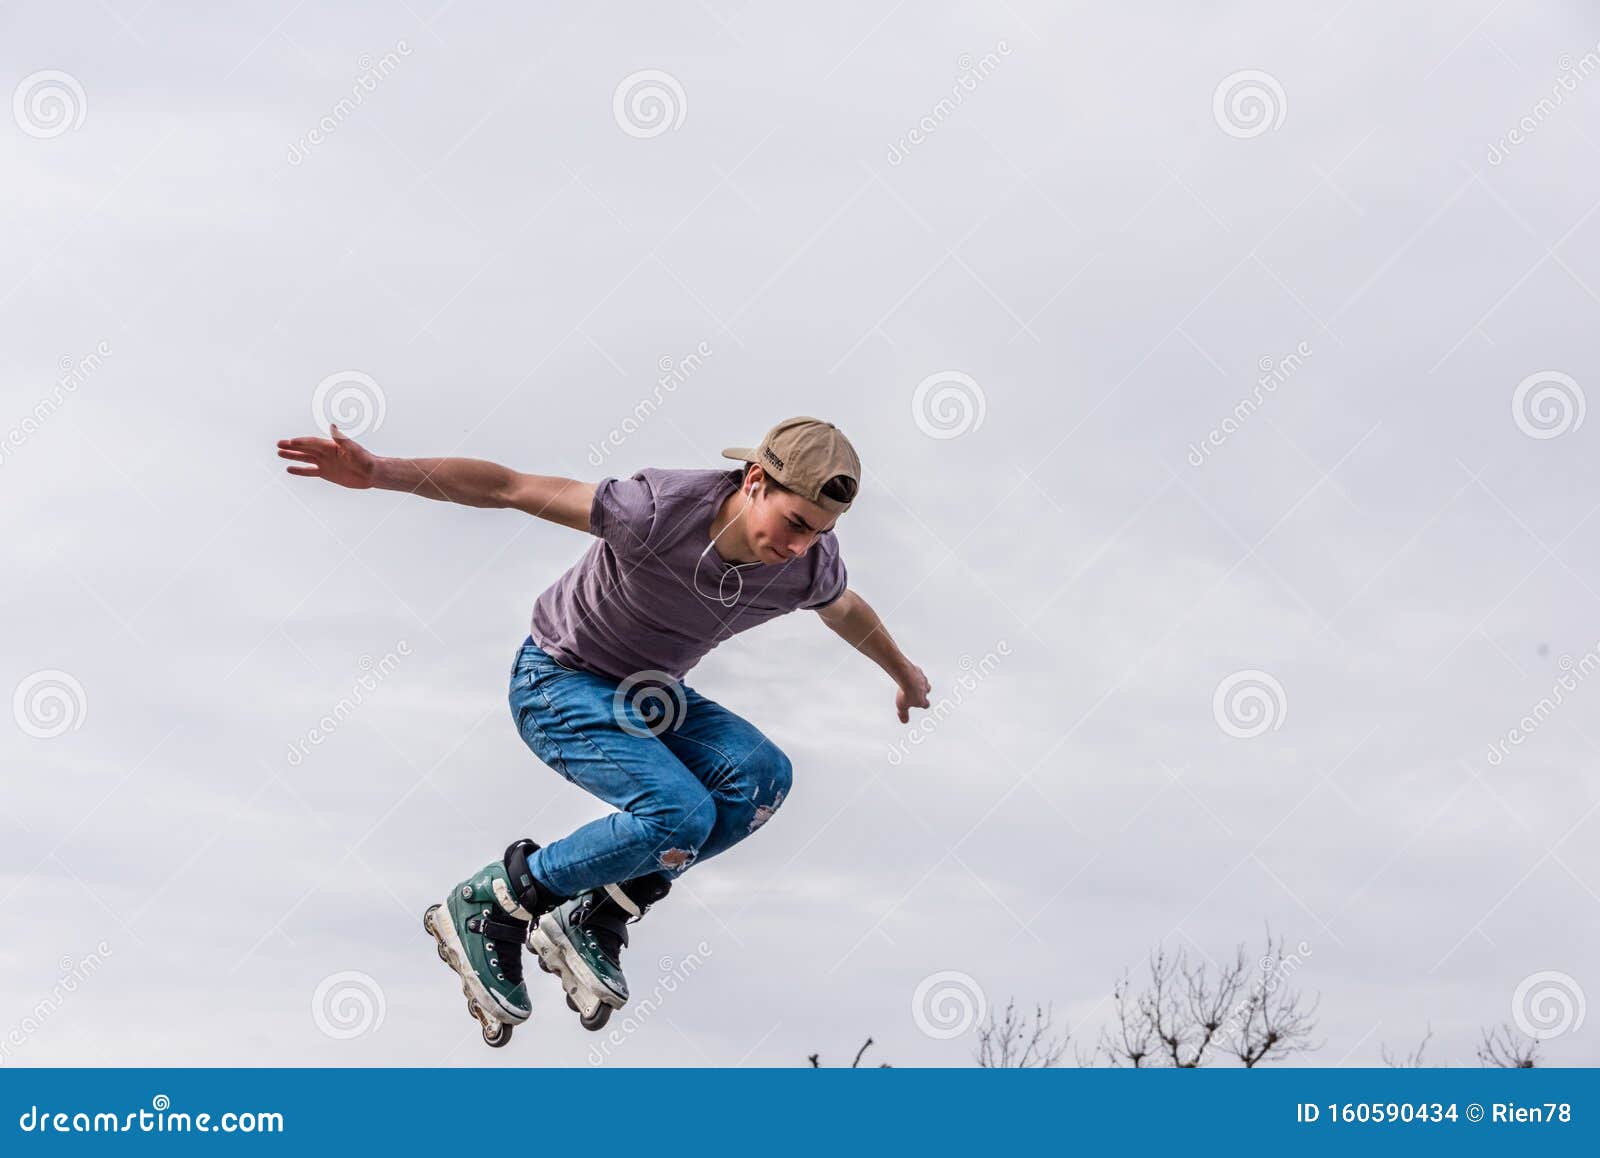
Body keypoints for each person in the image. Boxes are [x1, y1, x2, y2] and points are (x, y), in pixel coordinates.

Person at [275, 416, 930, 1045]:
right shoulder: (654, 510)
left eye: (818, 532)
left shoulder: (807, 566)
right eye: (793, 524)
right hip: (557, 682)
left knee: (761, 778)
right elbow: (510, 487)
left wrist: (903, 672)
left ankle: (603, 908)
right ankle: (495, 900)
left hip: (652, 698)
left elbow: (843, 608)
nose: (798, 547)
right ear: (754, 481)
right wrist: (375, 471)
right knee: (680, 815)